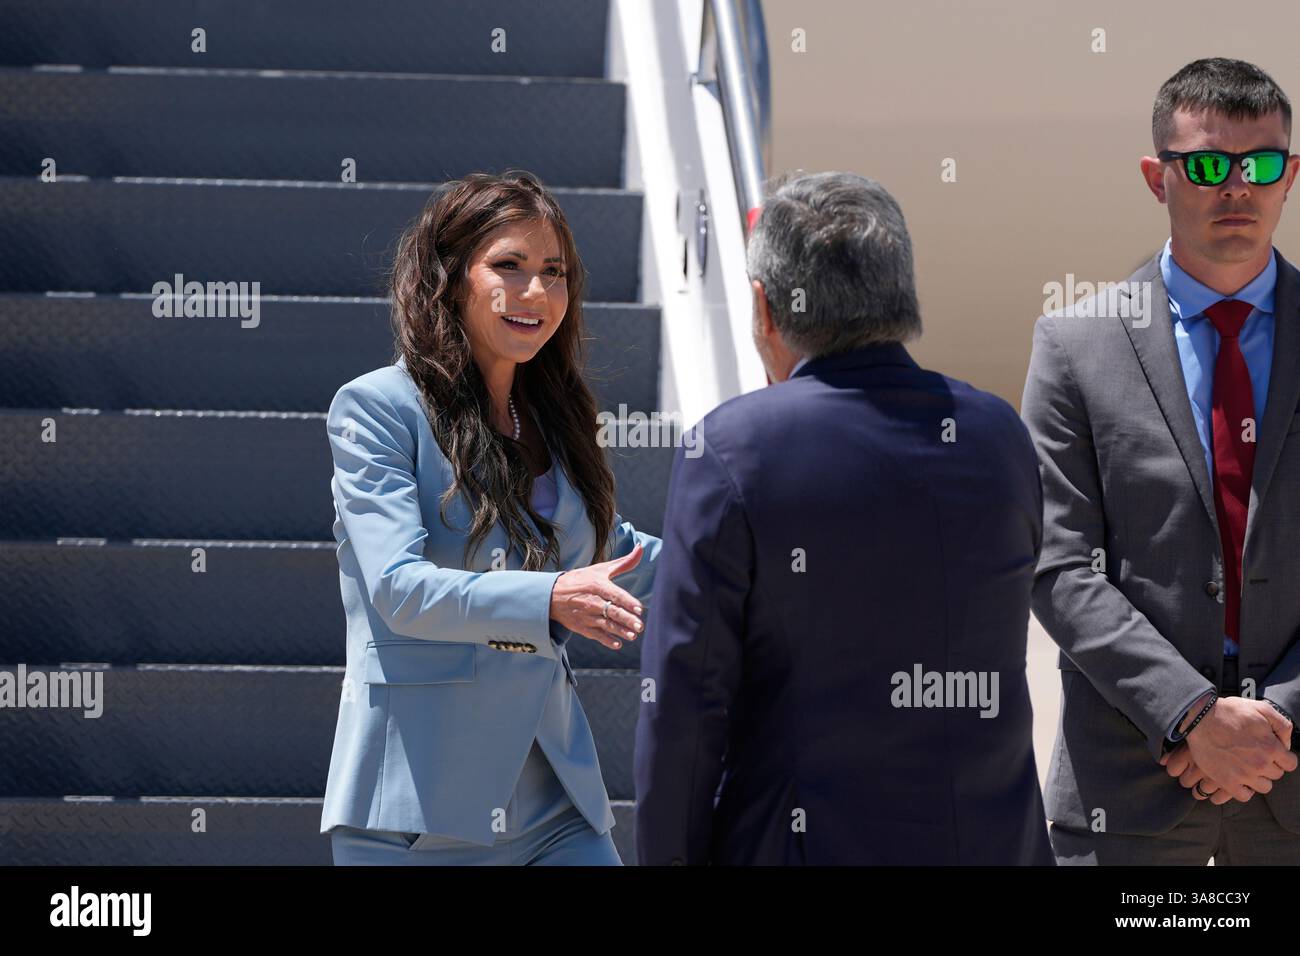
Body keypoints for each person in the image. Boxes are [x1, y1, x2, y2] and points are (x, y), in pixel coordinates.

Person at [633, 170, 1054, 865]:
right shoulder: (996, 433)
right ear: (901, 292)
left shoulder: (733, 450)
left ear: (764, 307)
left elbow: (685, 706)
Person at [320, 170, 661, 865]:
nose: (536, 292)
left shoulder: (554, 417)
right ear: (449, 277)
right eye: (509, 266)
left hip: (555, 803)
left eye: (554, 271)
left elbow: (612, 551)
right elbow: (399, 589)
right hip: (416, 811)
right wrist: (551, 597)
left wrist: (755, 560)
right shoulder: (379, 408)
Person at [1021, 58, 1300, 865]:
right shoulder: (1076, 347)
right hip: (1128, 795)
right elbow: (1058, 566)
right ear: (1157, 176)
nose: (1237, 189)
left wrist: (1271, 719)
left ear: (1290, 176)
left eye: (1263, 166)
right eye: (1209, 165)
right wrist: (1193, 717)